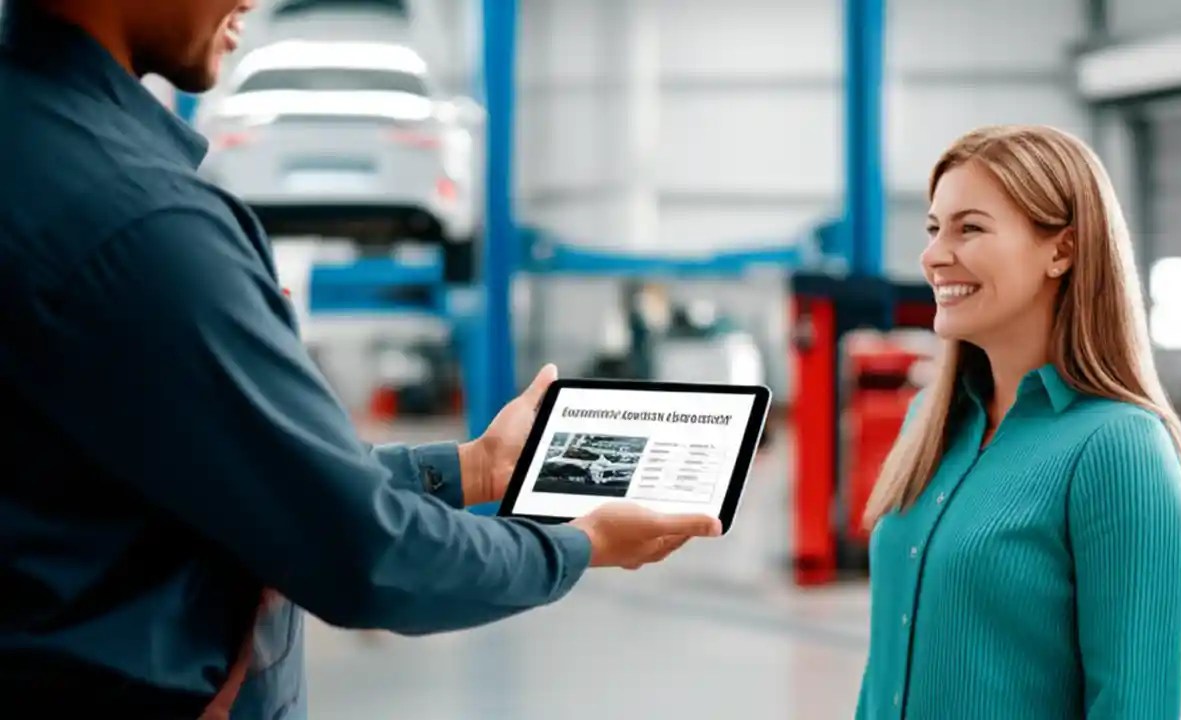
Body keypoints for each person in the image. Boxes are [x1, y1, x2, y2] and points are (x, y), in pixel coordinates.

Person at [0, 1, 721, 717]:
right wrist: (578, 545)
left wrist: (472, 470)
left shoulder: (32, 142)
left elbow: (244, 473)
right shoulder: (143, 224)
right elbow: (366, 552)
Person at [854, 125, 1181, 719]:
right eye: (934, 229)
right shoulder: (929, 422)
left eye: (969, 228)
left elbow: (1134, 703)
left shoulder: (1119, 448)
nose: (933, 256)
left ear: (1062, 250)